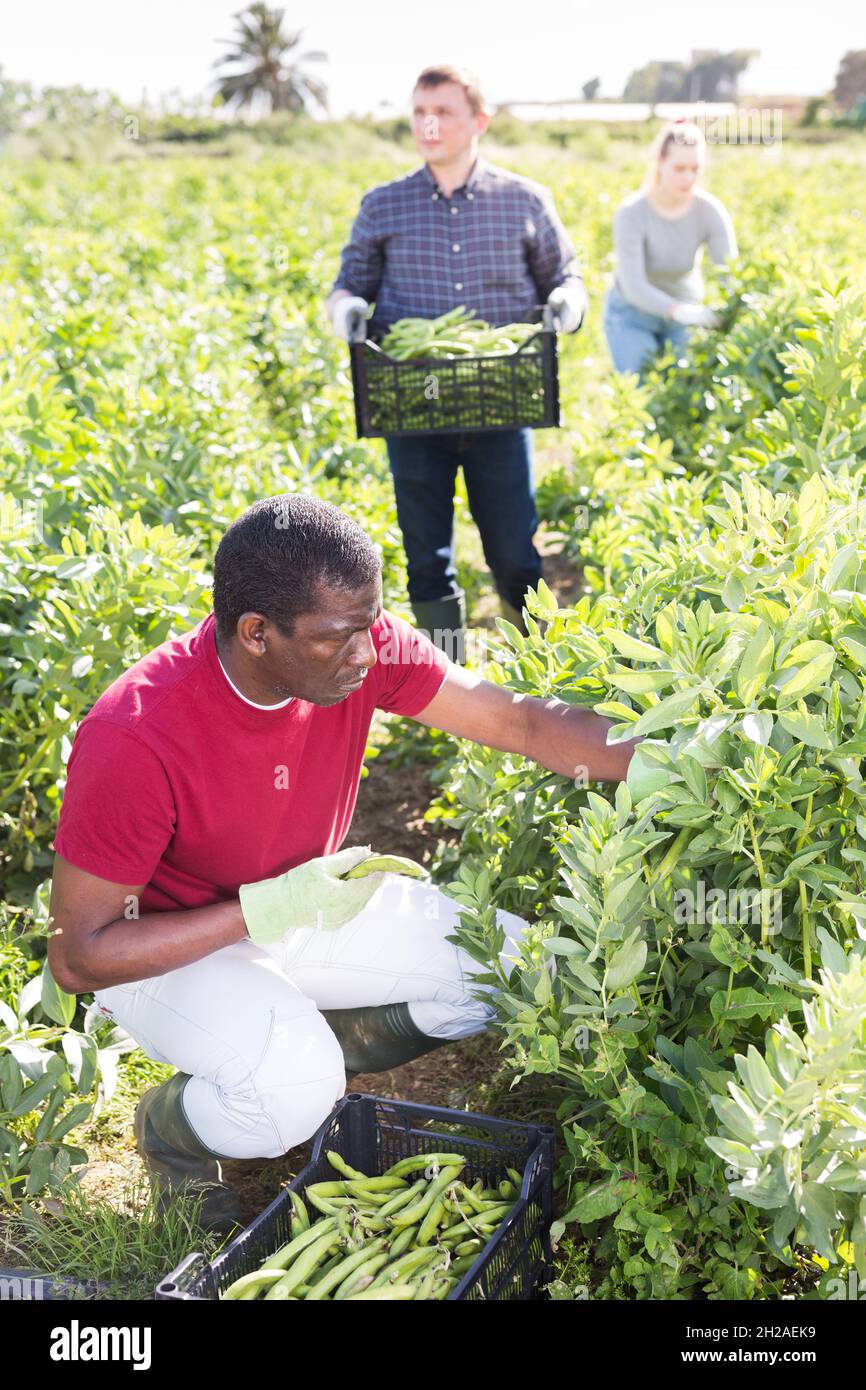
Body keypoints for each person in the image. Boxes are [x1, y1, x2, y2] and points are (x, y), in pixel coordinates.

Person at [47, 494, 639, 1233]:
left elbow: (520, 720)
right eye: (340, 637)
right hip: (165, 954)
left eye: (372, 625)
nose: (369, 653)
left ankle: (291, 1034)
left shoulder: (358, 644)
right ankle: (174, 1127)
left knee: (511, 968)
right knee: (297, 1090)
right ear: (257, 633)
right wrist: (258, 912)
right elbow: (80, 958)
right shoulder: (136, 735)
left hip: (301, 902)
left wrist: (666, 757)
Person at [327, 64, 587, 658]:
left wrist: (568, 303)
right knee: (427, 557)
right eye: (420, 110)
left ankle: (539, 669)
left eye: (443, 111)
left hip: (500, 397)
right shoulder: (384, 205)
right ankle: (449, 679)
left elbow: (566, 274)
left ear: (479, 122)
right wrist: (343, 312)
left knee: (514, 550)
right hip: (412, 401)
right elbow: (349, 285)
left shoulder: (523, 199)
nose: (428, 122)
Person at [603, 120, 738, 379]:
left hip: (685, 314)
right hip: (633, 315)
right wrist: (682, 311)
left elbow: (730, 272)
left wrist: (728, 310)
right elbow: (634, 287)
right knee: (642, 391)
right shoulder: (632, 213)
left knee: (684, 391)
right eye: (678, 168)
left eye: (695, 169)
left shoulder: (710, 212)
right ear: (660, 164)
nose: (687, 177)